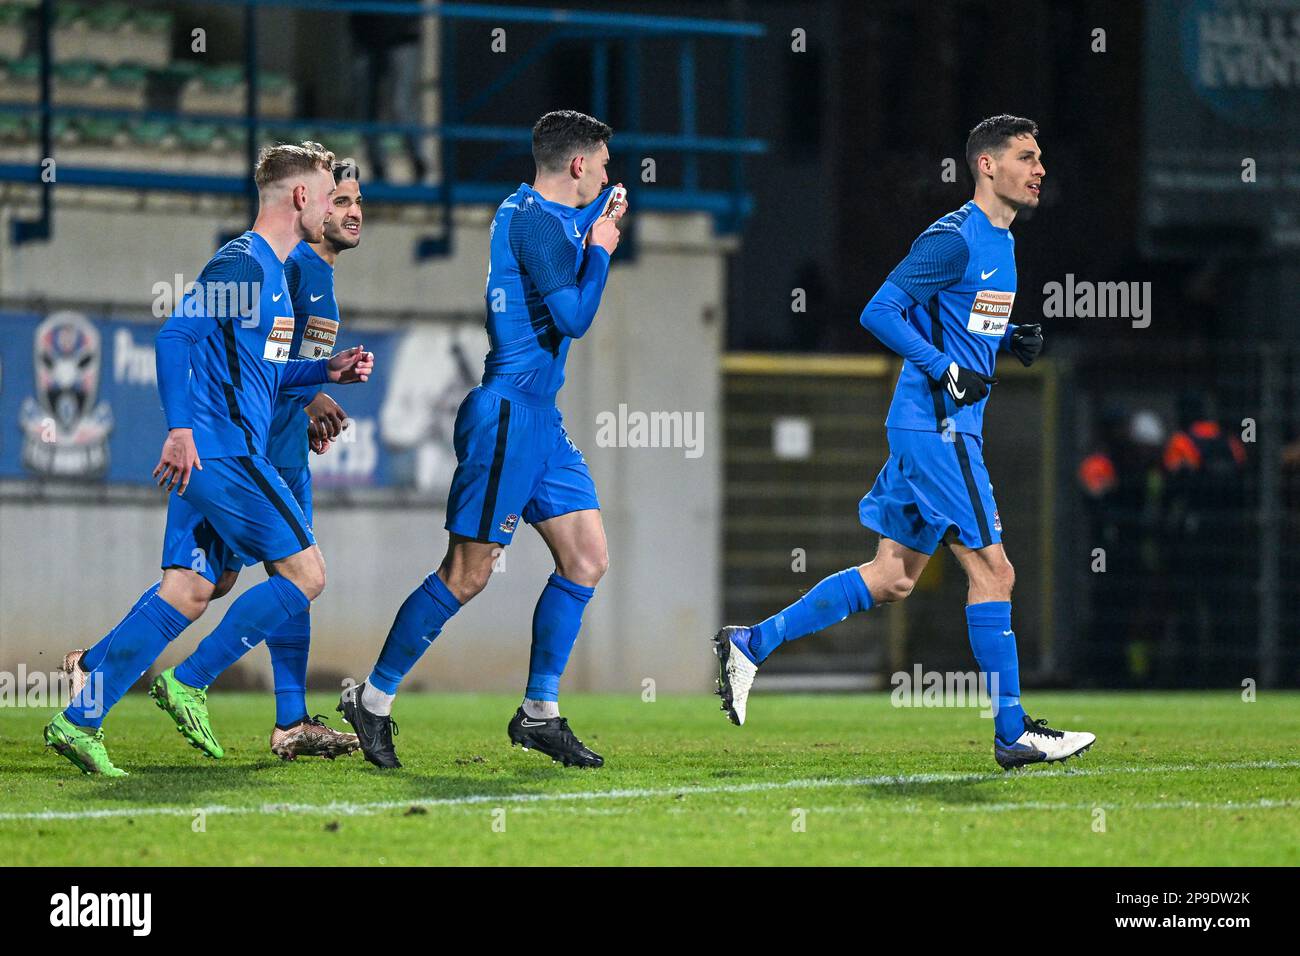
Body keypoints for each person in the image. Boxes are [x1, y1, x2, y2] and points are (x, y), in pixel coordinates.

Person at [714, 115, 1096, 770]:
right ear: (986, 166)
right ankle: (1011, 731)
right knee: (994, 570)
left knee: (892, 578)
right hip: (938, 428)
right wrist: (943, 367)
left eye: (1040, 159)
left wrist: (1010, 340)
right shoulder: (953, 239)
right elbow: (879, 311)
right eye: (1026, 158)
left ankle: (750, 643)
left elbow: (962, 319)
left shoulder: (1003, 243)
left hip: (933, 427)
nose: (1039, 170)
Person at [44, 142, 374, 775]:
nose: (335, 202)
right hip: (227, 453)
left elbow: (265, 373)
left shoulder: (275, 275)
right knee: (306, 576)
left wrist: (322, 369)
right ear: (301, 197)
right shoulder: (244, 264)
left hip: (218, 456)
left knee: (192, 589)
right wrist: (179, 429)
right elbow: (176, 335)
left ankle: (80, 716)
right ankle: (190, 680)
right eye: (330, 191)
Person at [338, 111, 626, 769]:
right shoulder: (536, 223)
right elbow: (574, 317)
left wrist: (596, 221)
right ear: (578, 164)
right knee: (468, 574)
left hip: (539, 420)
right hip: (507, 418)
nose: (608, 172)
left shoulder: (528, 212)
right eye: (604, 163)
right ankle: (372, 703)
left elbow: (562, 240)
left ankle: (539, 715)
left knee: (586, 557)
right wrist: (604, 244)